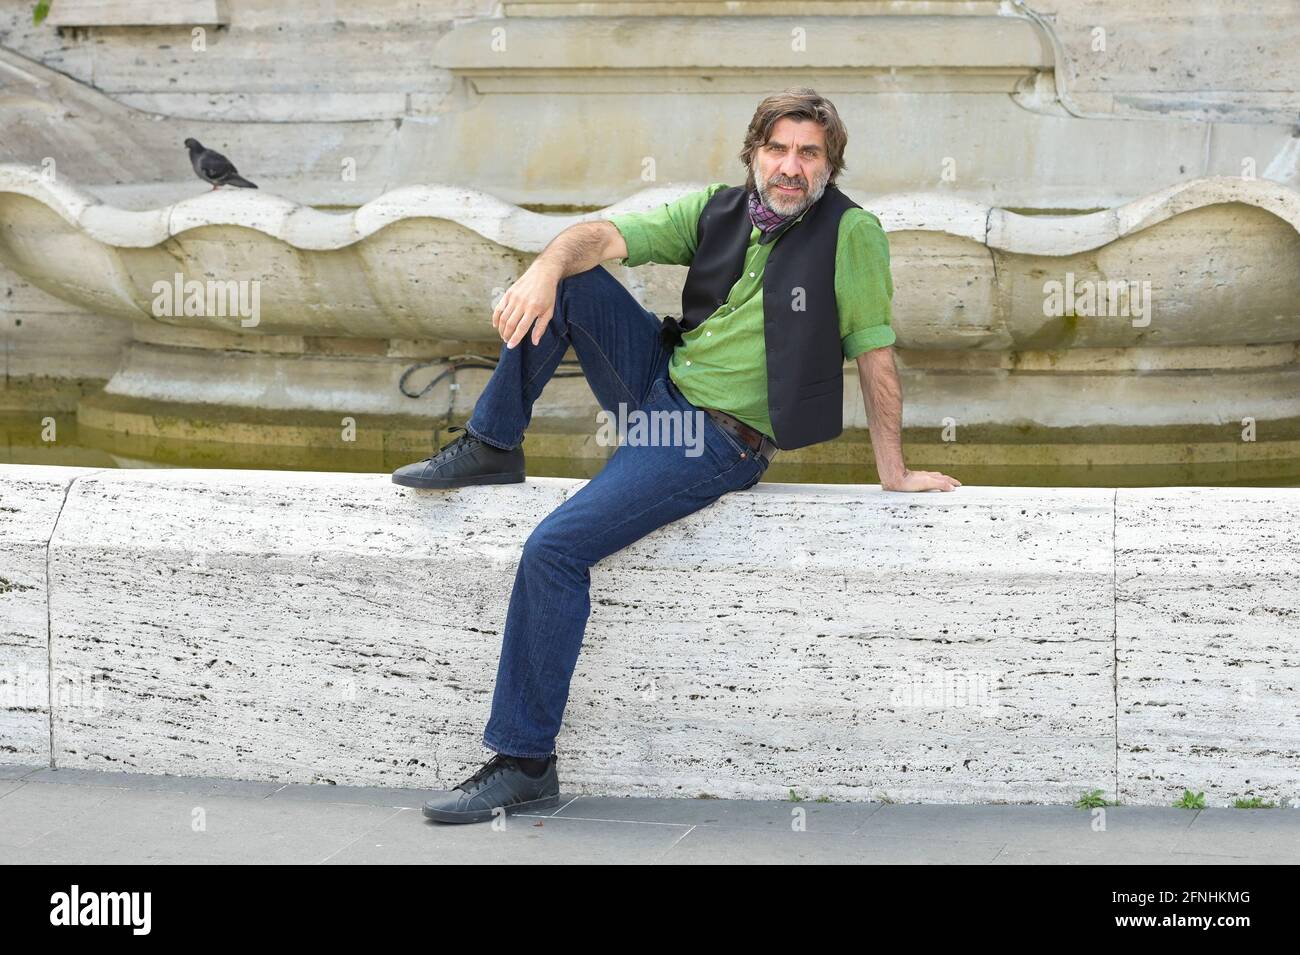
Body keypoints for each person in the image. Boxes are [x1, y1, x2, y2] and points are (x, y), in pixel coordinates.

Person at [399, 87, 961, 825]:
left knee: (554, 549)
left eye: (809, 153)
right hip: (657, 389)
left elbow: (876, 355)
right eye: (779, 149)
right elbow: (598, 238)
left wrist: (894, 469)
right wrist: (541, 269)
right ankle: (493, 443)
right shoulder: (717, 209)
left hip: (715, 438)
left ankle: (525, 762)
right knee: (574, 281)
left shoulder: (851, 234)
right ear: (755, 153)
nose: (791, 167)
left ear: (830, 165)